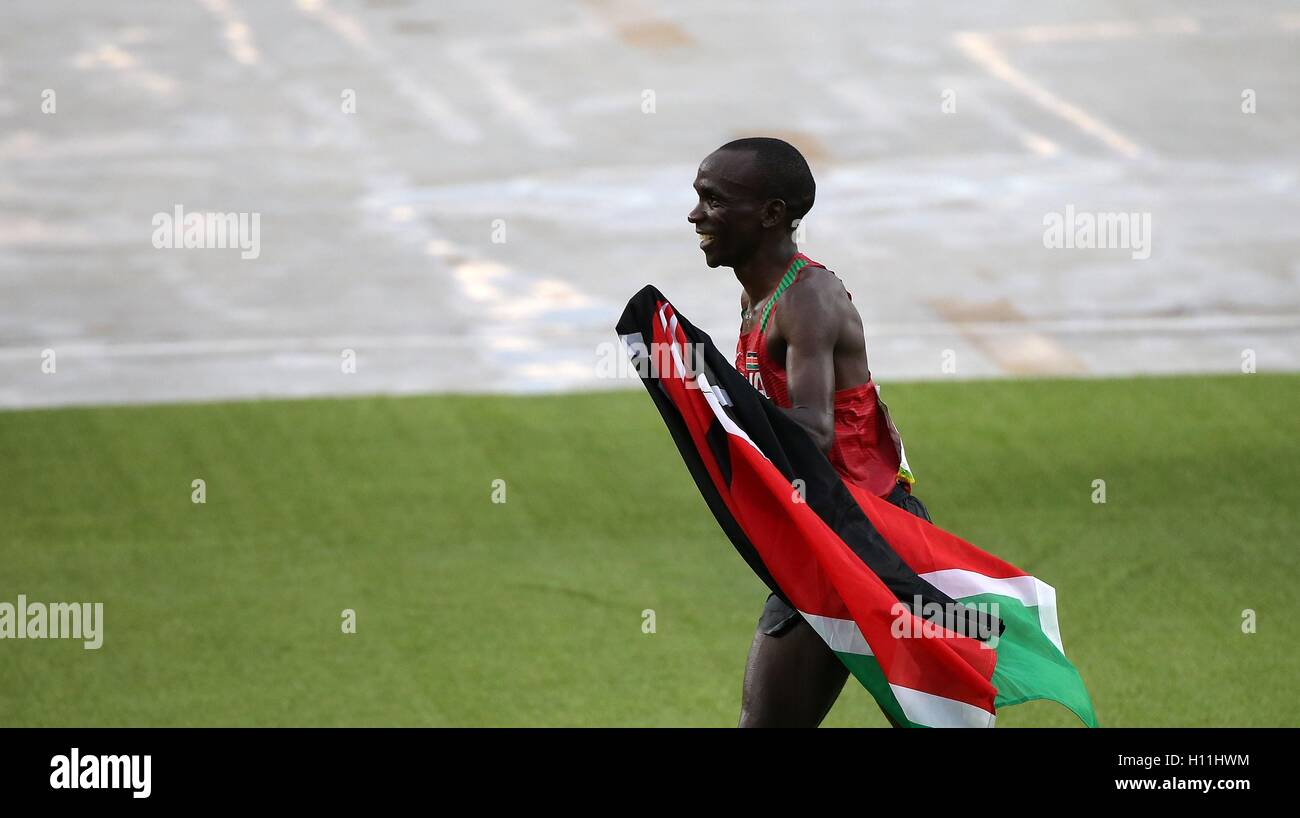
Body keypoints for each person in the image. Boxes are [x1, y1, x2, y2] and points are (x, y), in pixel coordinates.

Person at [687, 137, 927, 727]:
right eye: (698, 198)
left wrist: (717, 419)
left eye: (714, 201)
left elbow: (815, 431)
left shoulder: (808, 297)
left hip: (869, 541)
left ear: (770, 213)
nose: (696, 216)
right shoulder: (757, 294)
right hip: (822, 538)